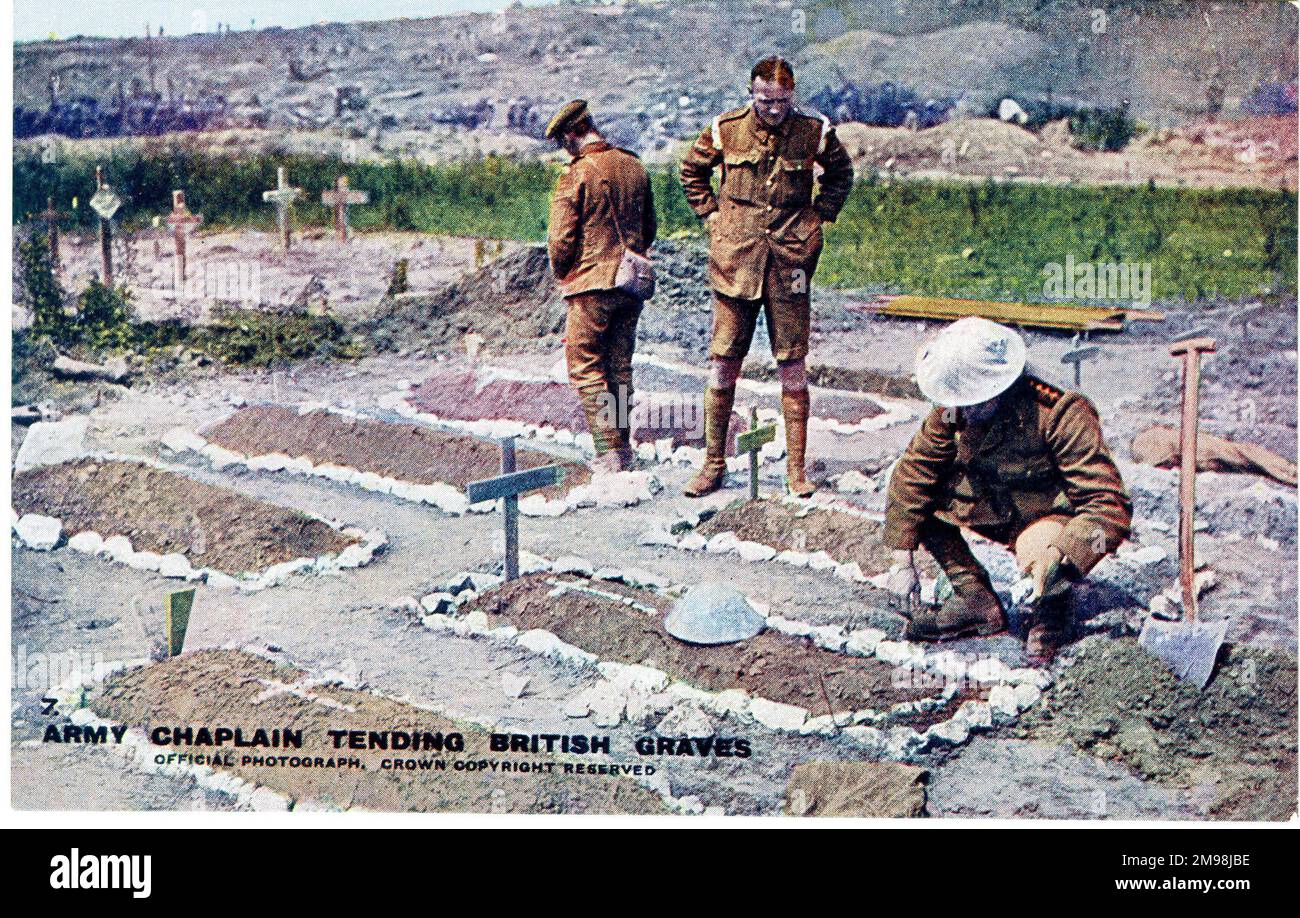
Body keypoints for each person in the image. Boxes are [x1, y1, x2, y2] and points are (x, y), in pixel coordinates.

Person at [883, 317, 1133, 661]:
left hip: (1046, 519)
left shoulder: (1059, 413)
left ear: (1004, 387)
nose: (965, 414)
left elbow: (1108, 504)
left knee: (1041, 552)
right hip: (991, 506)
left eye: (976, 403)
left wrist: (1061, 554)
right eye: (960, 404)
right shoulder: (955, 411)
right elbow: (914, 473)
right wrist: (902, 561)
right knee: (915, 499)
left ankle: (1052, 609)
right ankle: (975, 598)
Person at [678, 56, 854, 497]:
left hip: (790, 262)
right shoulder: (725, 128)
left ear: (792, 96)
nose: (773, 110)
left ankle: (797, 472)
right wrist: (713, 216)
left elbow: (841, 174)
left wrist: (820, 217)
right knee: (723, 362)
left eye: (781, 101)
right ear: (751, 94)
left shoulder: (815, 131)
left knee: (793, 364)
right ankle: (713, 464)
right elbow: (691, 171)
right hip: (734, 262)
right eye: (764, 100)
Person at [546, 100, 657, 471]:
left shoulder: (576, 174)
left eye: (564, 140)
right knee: (620, 366)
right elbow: (649, 228)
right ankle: (624, 449)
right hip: (631, 284)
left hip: (591, 283)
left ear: (573, 133)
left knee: (586, 366)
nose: (565, 148)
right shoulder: (635, 166)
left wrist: (564, 272)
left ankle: (607, 453)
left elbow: (561, 240)